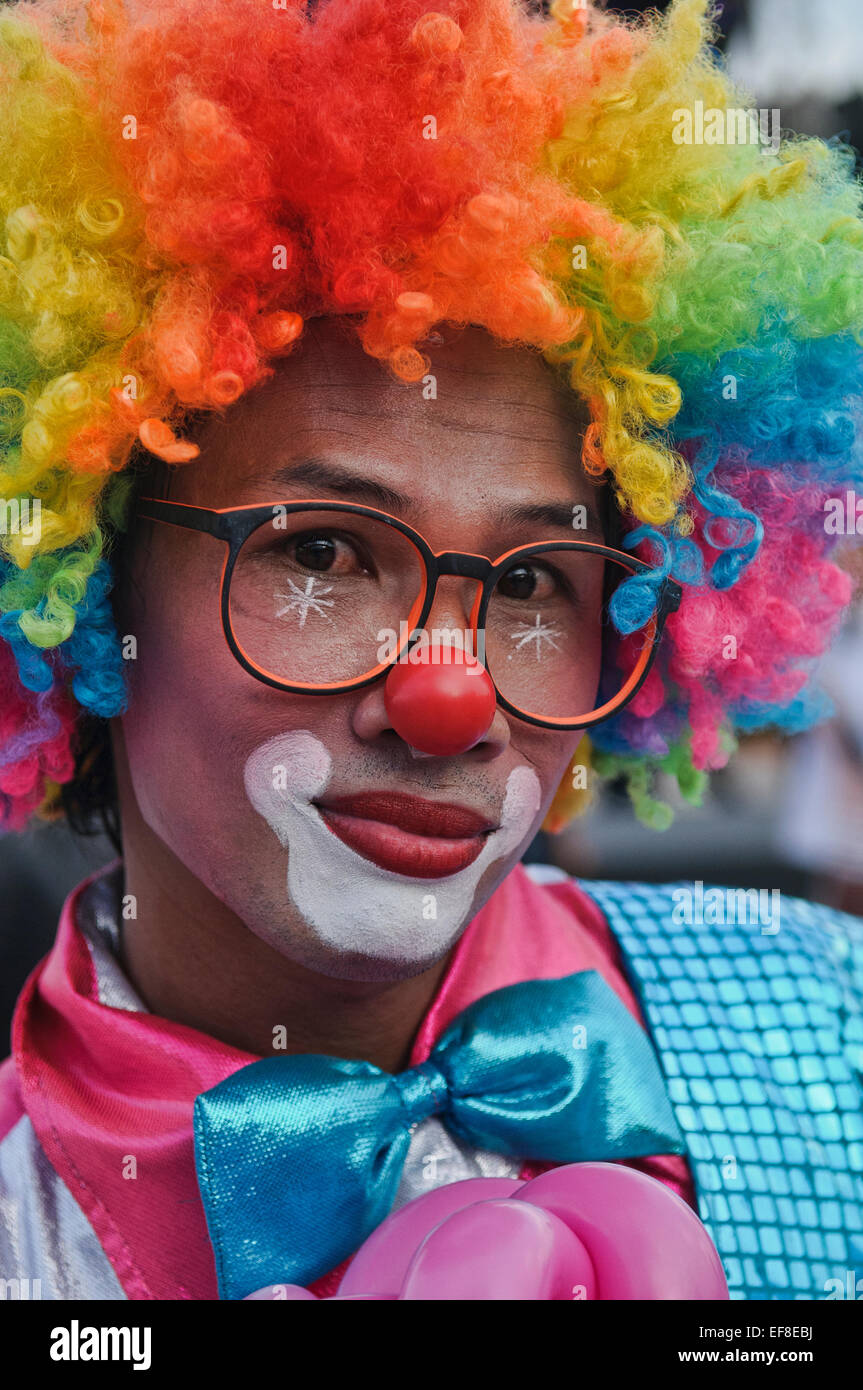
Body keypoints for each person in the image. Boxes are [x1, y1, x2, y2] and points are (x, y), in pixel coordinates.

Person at [0, 0, 861, 1302]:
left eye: (530, 580)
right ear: (83, 579)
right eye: (324, 554)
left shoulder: (834, 1042)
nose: (447, 700)